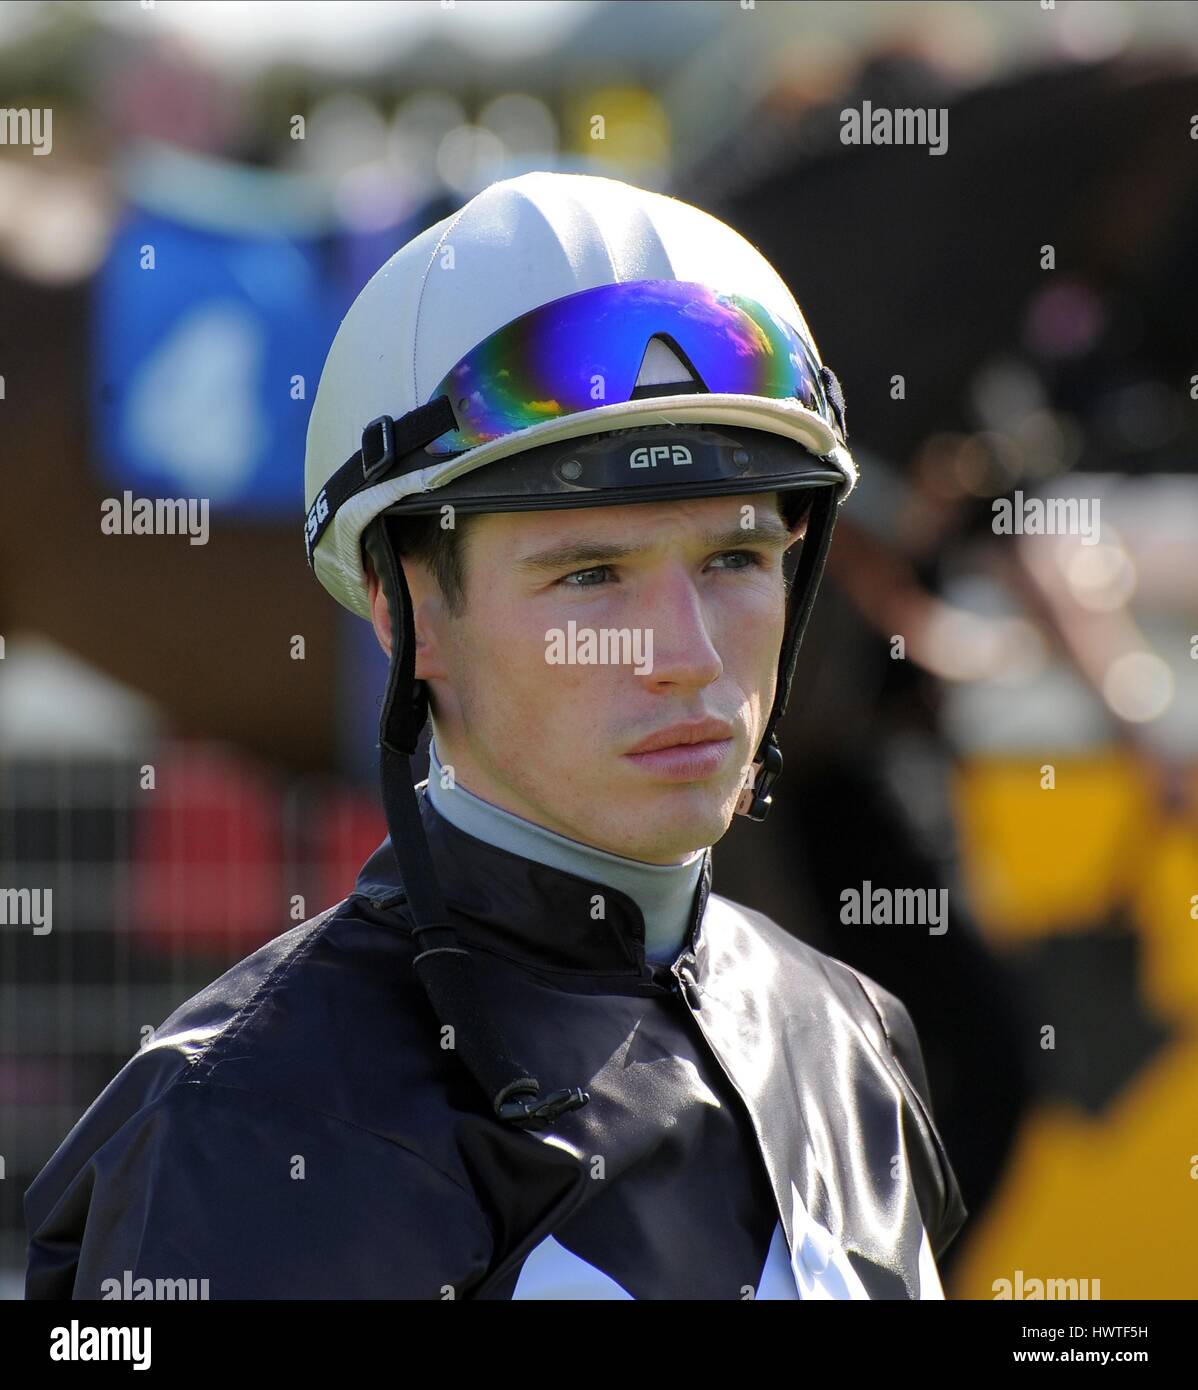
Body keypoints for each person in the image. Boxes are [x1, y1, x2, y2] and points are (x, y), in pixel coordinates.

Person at [25, 170, 965, 1299]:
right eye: (590, 575)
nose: (686, 653)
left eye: (733, 558)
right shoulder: (234, 1131)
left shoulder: (856, 1042)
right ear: (404, 612)